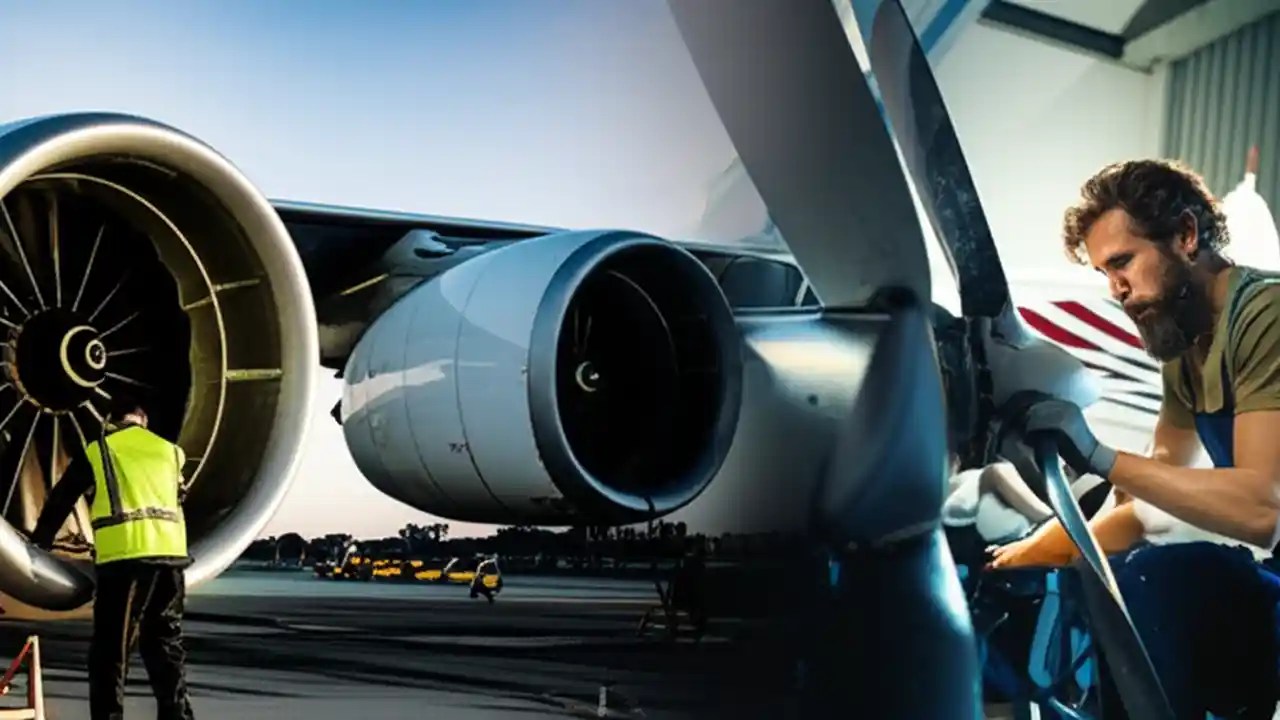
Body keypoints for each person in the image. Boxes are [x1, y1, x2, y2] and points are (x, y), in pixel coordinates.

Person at [988, 159, 1280, 718]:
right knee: (1119, 586)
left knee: (1157, 584)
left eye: (1123, 263)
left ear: (1186, 236)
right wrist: (1033, 553)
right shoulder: (1185, 341)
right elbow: (1148, 502)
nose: (1117, 289)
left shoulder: (1265, 313)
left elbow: (1261, 508)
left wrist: (1097, 455)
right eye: (1104, 273)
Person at [32, 392, 195, 720]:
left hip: (125, 562)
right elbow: (181, 494)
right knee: (166, 645)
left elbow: (63, 497)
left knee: (111, 652)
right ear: (143, 420)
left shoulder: (102, 449)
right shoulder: (171, 452)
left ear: (110, 422)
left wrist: (40, 542)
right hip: (171, 560)